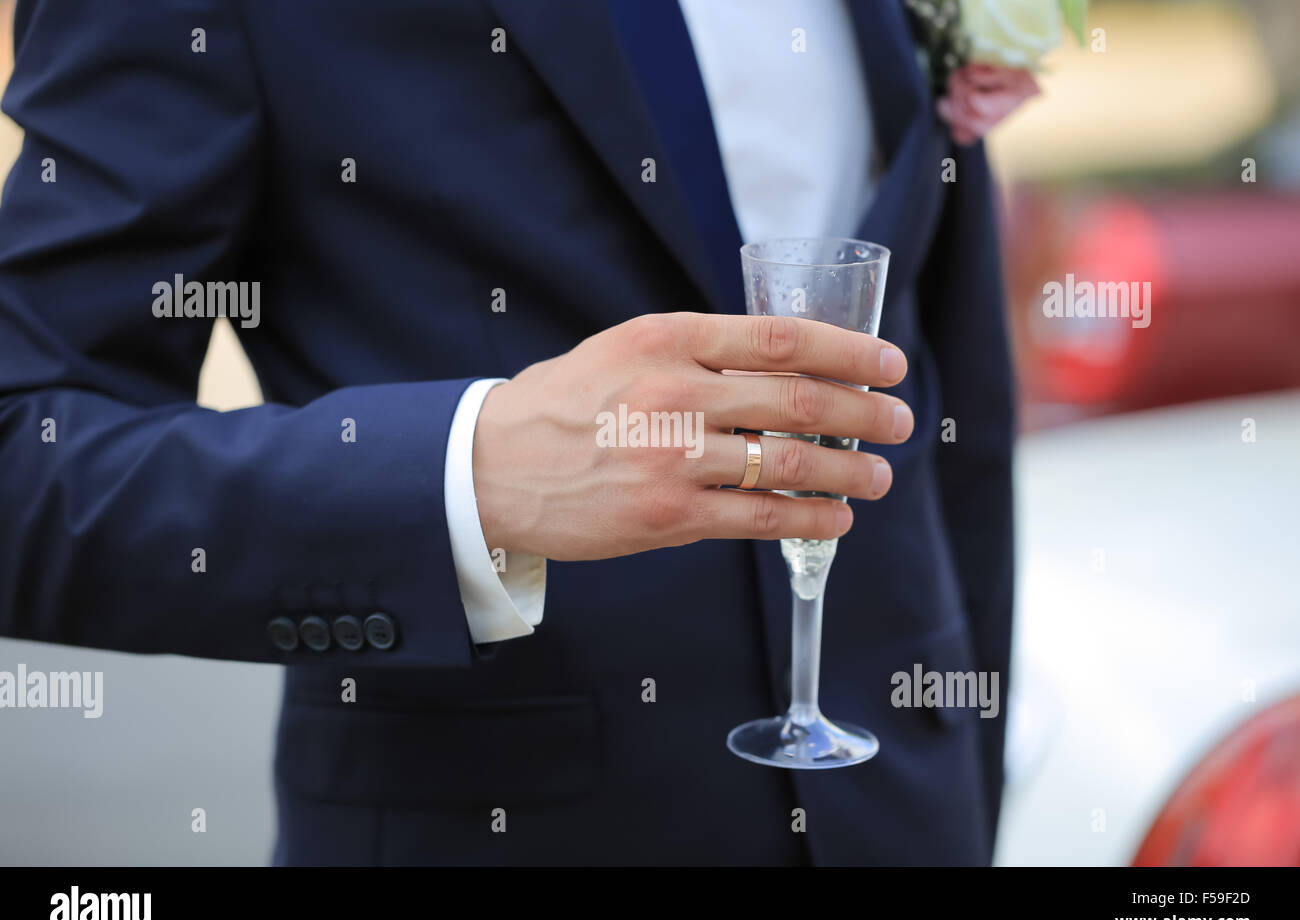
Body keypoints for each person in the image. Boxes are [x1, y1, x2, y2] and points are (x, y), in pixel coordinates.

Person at [0, 0, 1014, 864]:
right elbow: (22, 452)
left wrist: (966, 759)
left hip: (910, 810)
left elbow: (949, 389)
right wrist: (465, 474)